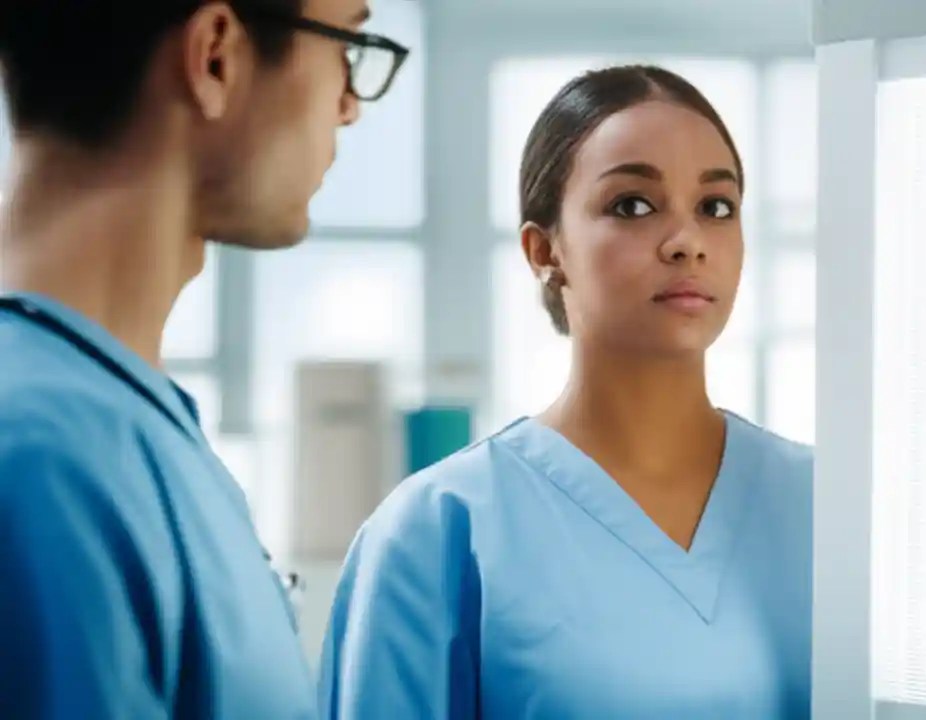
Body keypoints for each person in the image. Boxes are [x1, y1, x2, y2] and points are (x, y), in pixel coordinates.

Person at [318, 65, 813, 719]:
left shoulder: (825, 507)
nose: (688, 241)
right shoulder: (438, 531)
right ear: (543, 251)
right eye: (632, 205)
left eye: (715, 207)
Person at [0, 0, 409, 717]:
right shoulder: (42, 458)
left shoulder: (129, 432)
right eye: (346, 44)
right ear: (216, 56)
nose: (349, 107)